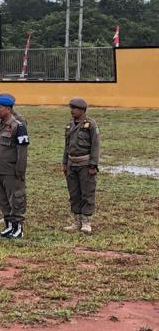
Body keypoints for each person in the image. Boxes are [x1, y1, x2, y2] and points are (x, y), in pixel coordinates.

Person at [0, 93, 29, 238]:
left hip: (12, 170)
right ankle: (8, 226)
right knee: (2, 199)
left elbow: (22, 151)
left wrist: (20, 170)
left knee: (16, 199)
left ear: (8, 109)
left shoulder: (17, 126)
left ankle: (18, 227)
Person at [63, 97, 100, 234]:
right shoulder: (69, 126)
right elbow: (67, 147)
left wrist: (93, 165)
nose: (72, 111)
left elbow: (95, 146)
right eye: (71, 108)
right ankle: (76, 220)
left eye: (75, 108)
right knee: (74, 193)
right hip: (72, 163)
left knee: (87, 192)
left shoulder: (90, 125)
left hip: (85, 164)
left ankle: (86, 221)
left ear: (83, 110)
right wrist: (64, 163)